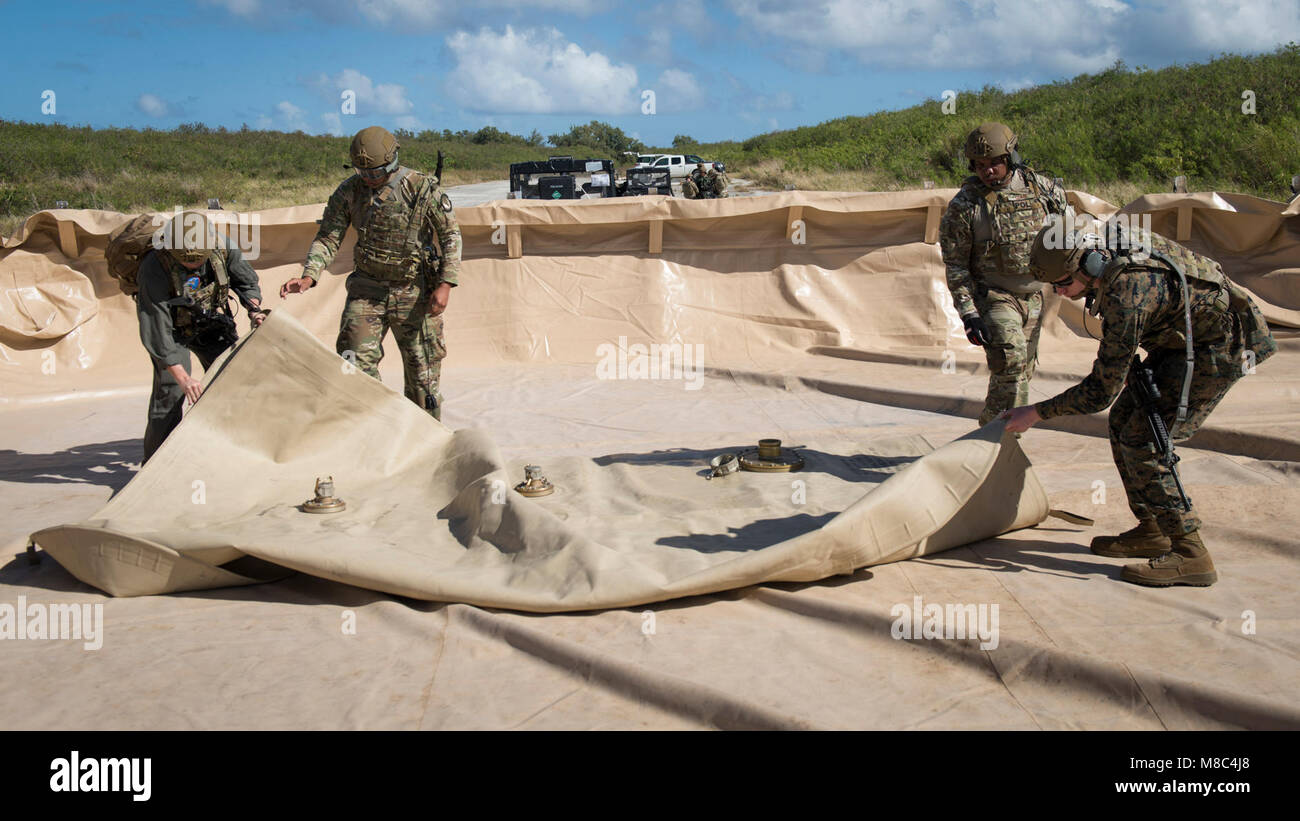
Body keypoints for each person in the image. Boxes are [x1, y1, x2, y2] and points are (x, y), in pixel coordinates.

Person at [1001, 217, 1277, 587]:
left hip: (1220, 347)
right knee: (1123, 422)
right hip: (1179, 339)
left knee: (1145, 440)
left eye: (1064, 283)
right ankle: (1154, 529)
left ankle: (1190, 552)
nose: (1061, 293)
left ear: (1091, 264)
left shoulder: (1128, 292)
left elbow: (1100, 390)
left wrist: (1034, 413)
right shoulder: (1106, 254)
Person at [280, 126, 461, 419]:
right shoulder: (349, 191)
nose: (370, 179)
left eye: (376, 173)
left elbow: (451, 236)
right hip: (367, 290)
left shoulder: (421, 188)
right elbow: (329, 236)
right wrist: (309, 275)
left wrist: (446, 284)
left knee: (423, 380)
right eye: (363, 173)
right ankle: (372, 431)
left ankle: (423, 442)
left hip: (414, 292)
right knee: (353, 370)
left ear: (392, 161)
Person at [939, 122, 1070, 425]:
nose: (987, 171)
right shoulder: (965, 204)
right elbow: (956, 265)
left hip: (1035, 298)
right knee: (1010, 366)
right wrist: (970, 314)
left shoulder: (1044, 190)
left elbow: (1067, 237)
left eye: (994, 163)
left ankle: (995, 440)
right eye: (980, 165)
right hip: (995, 297)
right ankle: (997, 442)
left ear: (1011, 158)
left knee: (1021, 373)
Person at [136, 211, 266, 461]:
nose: (193, 265)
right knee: (171, 391)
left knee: (231, 380)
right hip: (172, 331)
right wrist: (183, 378)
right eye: (186, 261)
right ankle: (155, 466)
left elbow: (247, 284)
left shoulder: (224, 247)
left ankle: (234, 451)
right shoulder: (154, 266)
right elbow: (157, 330)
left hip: (209, 322)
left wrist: (255, 311)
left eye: (198, 260)